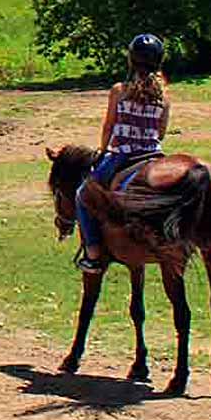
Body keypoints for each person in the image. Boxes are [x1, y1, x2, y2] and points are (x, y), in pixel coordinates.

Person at [73, 34, 171, 272]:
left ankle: (94, 254)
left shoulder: (119, 90)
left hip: (123, 155)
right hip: (153, 154)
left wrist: (103, 150)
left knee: (83, 194)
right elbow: (161, 131)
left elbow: (109, 125)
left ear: (131, 60)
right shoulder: (164, 98)